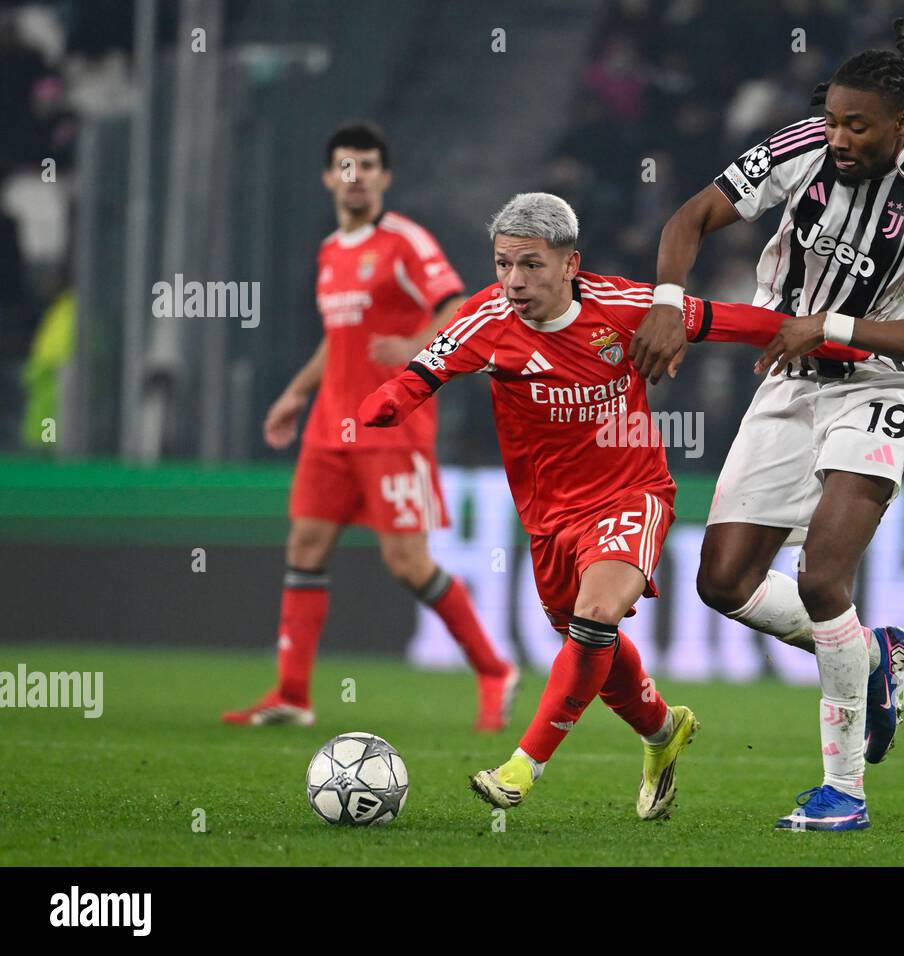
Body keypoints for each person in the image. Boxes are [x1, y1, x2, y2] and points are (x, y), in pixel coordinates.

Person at [360, 192, 865, 818]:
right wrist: (390, 400)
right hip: (548, 518)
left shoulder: (627, 307)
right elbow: (426, 369)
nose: (513, 282)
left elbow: (734, 321)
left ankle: (524, 764)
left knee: (596, 612)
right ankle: (661, 730)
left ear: (572, 263)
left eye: (531, 265)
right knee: (587, 636)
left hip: (632, 494)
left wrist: (847, 344)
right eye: (502, 265)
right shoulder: (484, 321)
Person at [630, 20, 904, 830]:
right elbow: (688, 218)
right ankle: (873, 654)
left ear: (902, 125)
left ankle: (844, 793)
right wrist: (669, 303)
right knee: (722, 581)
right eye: (834, 120)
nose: (841, 138)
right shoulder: (798, 152)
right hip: (790, 377)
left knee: (824, 577)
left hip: (881, 383)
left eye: (860, 125)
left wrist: (830, 327)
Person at [223, 122, 516, 731]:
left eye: (368, 166)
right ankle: (293, 694)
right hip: (330, 427)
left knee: (407, 562)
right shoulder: (330, 252)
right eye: (344, 166)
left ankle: (494, 669)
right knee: (305, 546)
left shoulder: (405, 242)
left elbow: (459, 308)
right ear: (330, 177)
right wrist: (294, 396)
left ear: (384, 176)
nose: (356, 178)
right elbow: (339, 343)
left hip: (393, 426)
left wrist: (415, 344)